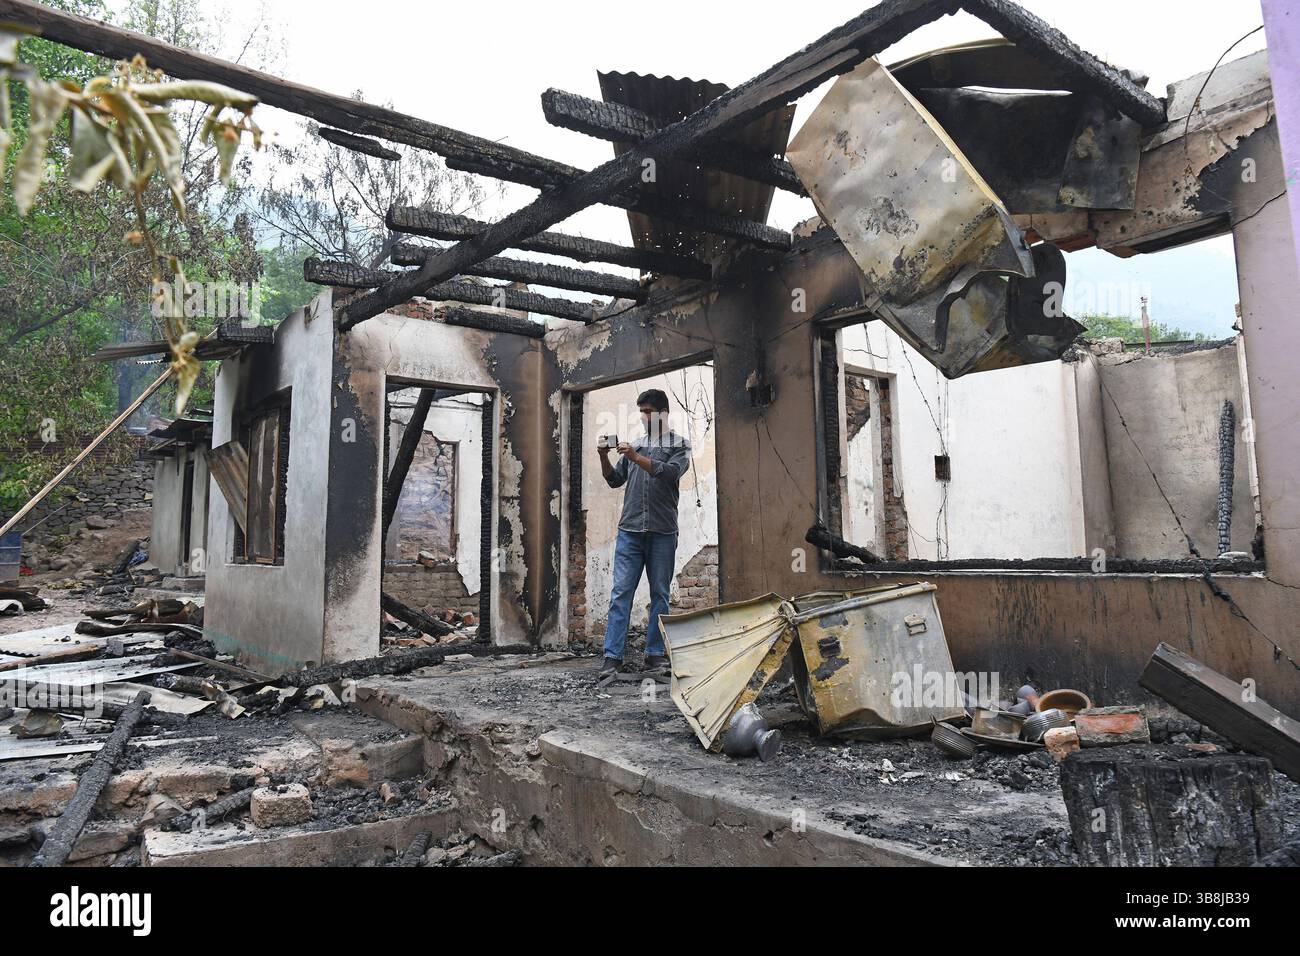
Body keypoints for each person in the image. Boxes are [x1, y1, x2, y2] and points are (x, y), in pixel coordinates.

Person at [597, 389, 691, 678]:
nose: (643, 417)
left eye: (648, 412)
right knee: (620, 594)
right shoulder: (634, 446)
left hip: (662, 531)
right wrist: (603, 457)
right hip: (630, 530)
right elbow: (615, 480)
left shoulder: (679, 445)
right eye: (641, 412)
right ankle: (612, 657)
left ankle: (654, 655)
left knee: (660, 594)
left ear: (663, 413)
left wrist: (636, 457)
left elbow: (670, 473)